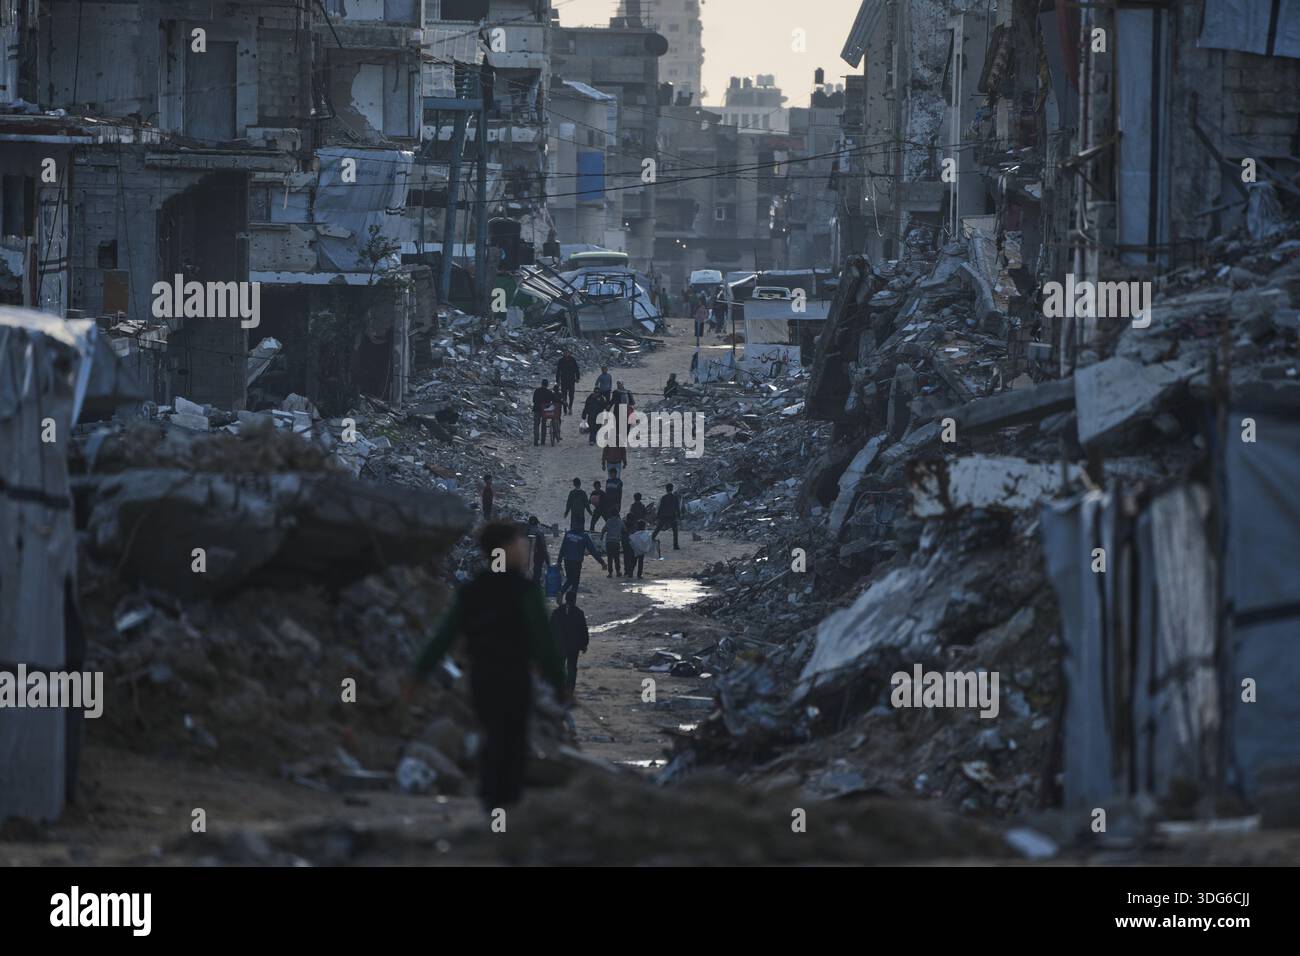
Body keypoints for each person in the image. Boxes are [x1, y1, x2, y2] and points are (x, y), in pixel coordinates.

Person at [413, 522, 567, 809]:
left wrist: (418, 673)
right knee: (514, 740)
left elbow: (444, 637)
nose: (524, 546)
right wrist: (560, 683)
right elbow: (544, 643)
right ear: (505, 548)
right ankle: (508, 805)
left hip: (482, 677)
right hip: (515, 677)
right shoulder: (525, 591)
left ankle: (491, 804)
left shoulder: (471, 591)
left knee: (492, 735)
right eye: (518, 542)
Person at [549, 589, 589, 696]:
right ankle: (570, 689)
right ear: (574, 600)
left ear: (565, 599)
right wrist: (584, 644)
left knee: (560, 666)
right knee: (571, 667)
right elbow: (583, 630)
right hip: (573, 646)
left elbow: (550, 628)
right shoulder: (579, 613)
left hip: (560, 645)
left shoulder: (557, 612)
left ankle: (559, 686)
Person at [557, 525, 606, 595]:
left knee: (570, 579)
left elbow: (562, 548)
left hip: (567, 560)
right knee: (575, 582)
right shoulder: (584, 536)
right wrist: (602, 562)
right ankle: (566, 594)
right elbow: (592, 551)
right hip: (576, 561)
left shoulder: (568, 534)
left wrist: (559, 561)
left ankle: (562, 593)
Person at [653, 482, 681, 550]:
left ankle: (650, 539)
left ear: (666, 489)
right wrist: (679, 515)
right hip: (672, 516)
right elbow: (677, 508)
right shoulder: (675, 497)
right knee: (675, 531)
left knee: (658, 529)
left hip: (664, 516)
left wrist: (657, 516)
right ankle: (675, 545)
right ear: (672, 489)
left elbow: (661, 507)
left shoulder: (664, 497)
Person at [532, 378, 557, 447]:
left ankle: (536, 441)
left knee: (536, 425)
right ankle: (543, 441)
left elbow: (534, 400)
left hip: (536, 409)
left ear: (541, 384)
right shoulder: (549, 392)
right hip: (545, 410)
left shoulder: (537, 391)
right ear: (547, 385)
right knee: (544, 425)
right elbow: (554, 399)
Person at [526, 516, 551, 584]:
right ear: (537, 523)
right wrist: (547, 559)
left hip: (528, 556)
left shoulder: (526, 532)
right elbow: (543, 547)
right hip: (538, 556)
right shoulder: (539, 532)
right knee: (537, 572)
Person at [556, 350, 580, 414]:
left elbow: (576, 369)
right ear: (563, 354)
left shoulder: (572, 360)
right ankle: (565, 410)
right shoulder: (561, 361)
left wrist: (577, 377)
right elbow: (558, 371)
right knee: (564, 396)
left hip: (571, 380)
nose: (566, 354)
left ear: (569, 353)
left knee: (571, 395)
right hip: (563, 380)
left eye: (567, 353)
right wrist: (557, 380)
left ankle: (570, 407)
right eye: (565, 353)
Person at [603, 512, 625, 577]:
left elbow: (604, 529)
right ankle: (618, 572)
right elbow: (624, 529)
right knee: (616, 558)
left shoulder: (608, 521)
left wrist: (601, 537)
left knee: (609, 558)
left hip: (609, 542)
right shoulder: (620, 522)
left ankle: (610, 573)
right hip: (616, 542)